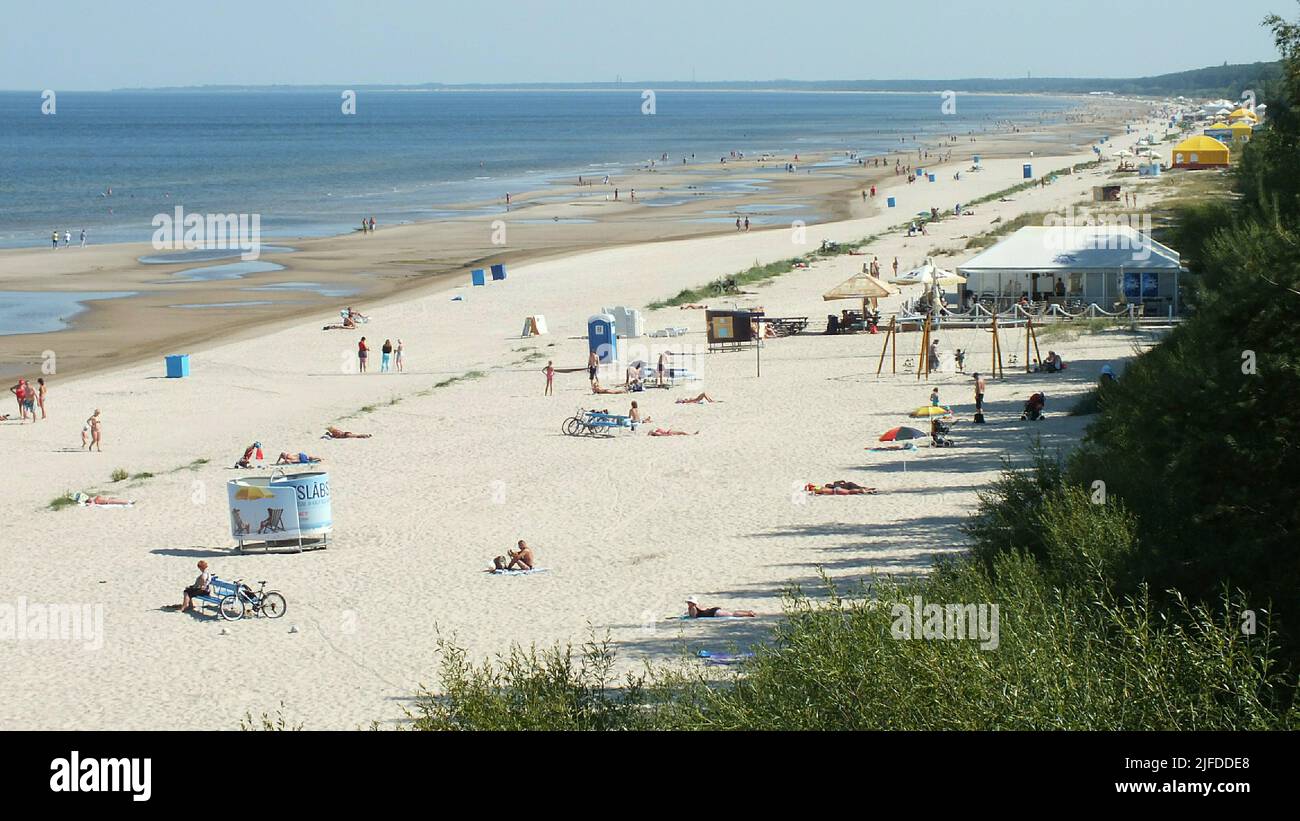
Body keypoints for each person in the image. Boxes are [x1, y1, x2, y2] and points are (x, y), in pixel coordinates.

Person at [685, 596, 756, 618]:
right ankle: (748, 612)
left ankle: (748, 614)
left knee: (732, 614)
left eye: (689, 602)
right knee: (732, 613)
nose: (688, 604)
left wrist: (689, 611)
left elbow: (693, 617)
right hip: (713, 610)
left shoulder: (693, 608)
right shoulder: (698, 606)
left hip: (714, 613)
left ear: (692, 603)